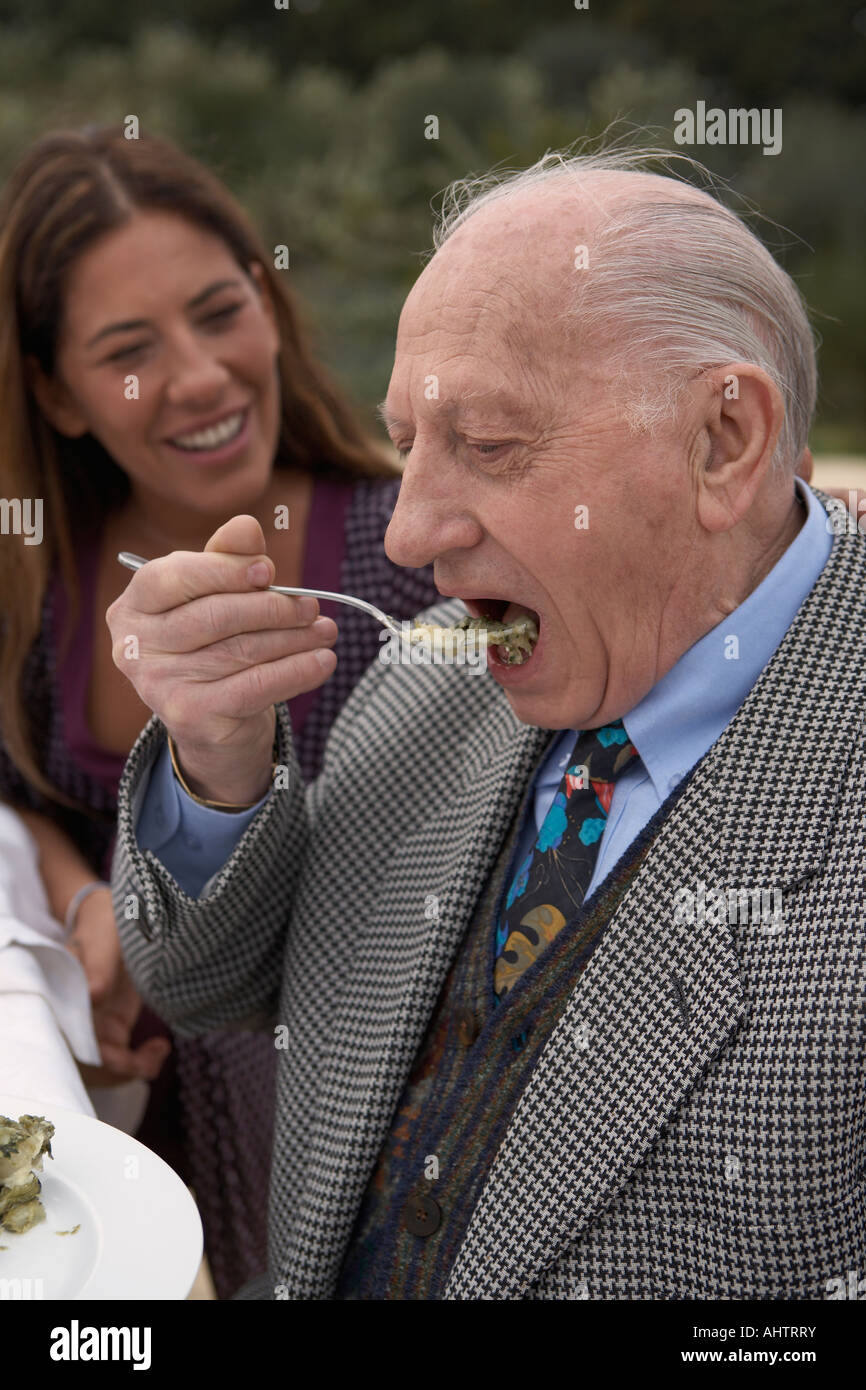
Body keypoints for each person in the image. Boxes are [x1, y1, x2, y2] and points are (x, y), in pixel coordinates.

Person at [109, 145, 866, 1300]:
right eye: (408, 444)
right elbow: (213, 981)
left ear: (724, 439)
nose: (409, 539)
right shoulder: (433, 671)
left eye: (490, 447)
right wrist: (217, 768)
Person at [0, 124, 437, 1297]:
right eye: (130, 348)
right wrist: (94, 894)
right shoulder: (38, 586)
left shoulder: (413, 555)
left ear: (269, 299)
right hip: (122, 1158)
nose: (197, 376)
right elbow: (14, 794)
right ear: (58, 391)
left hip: (341, 1149)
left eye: (218, 308)